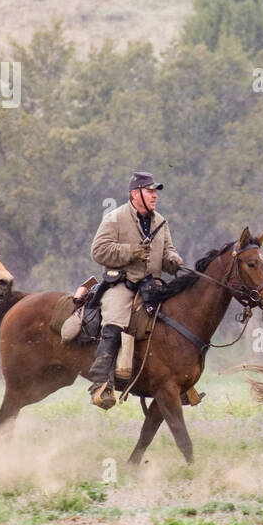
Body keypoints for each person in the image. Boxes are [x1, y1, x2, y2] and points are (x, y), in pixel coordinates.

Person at [87, 171, 183, 409]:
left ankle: (180, 381)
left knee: (178, 320)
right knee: (114, 320)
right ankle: (101, 384)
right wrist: (131, 251)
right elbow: (98, 251)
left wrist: (173, 258)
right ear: (135, 194)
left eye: (155, 192)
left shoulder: (160, 221)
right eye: (150, 191)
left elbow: (167, 251)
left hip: (153, 285)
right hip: (122, 283)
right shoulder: (114, 218)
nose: (154, 196)